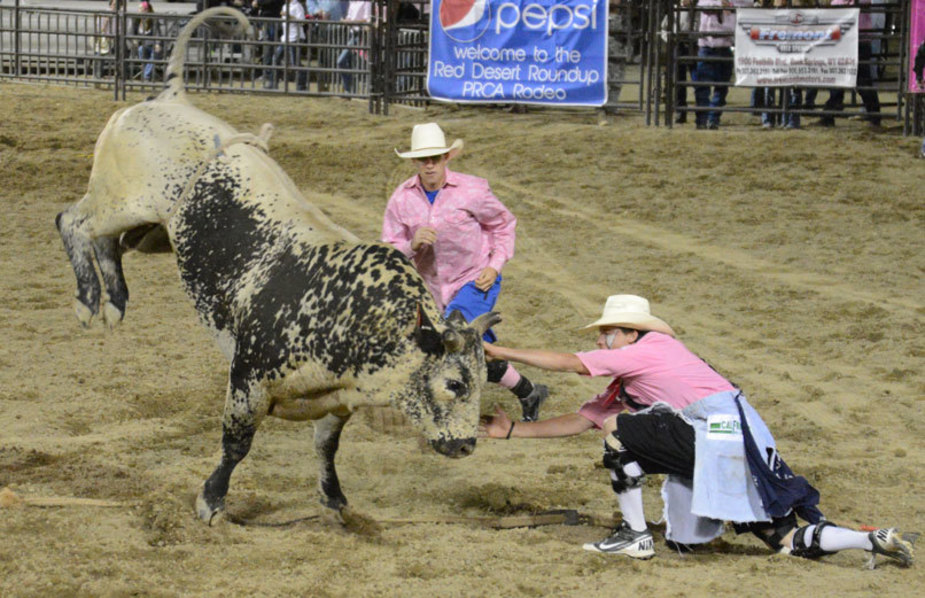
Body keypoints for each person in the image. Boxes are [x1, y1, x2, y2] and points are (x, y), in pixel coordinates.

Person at [480, 294, 916, 564]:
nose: (599, 342)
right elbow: (580, 419)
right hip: (739, 445)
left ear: (630, 334)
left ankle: (634, 537)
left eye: (605, 334)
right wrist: (514, 430)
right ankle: (869, 541)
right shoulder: (640, 373)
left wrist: (498, 349)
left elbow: (575, 365)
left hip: (718, 439)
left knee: (619, 429)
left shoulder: (651, 348)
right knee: (784, 540)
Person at [381, 123, 548, 422]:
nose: (430, 165)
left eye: (435, 157)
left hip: (474, 278)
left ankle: (448, 410)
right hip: (431, 286)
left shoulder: (472, 190)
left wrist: (494, 266)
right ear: (414, 162)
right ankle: (528, 391)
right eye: (423, 159)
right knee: (468, 346)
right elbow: (389, 249)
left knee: (453, 333)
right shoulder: (401, 198)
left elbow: (503, 224)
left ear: (447, 158)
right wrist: (411, 245)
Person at [811, 0, 881, 128]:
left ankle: (874, 115)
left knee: (862, 80)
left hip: (859, 39)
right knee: (839, 77)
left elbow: (865, 3)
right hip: (844, 39)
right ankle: (830, 113)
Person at [688, 0, 750, 129]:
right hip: (707, 45)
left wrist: (730, 5)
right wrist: (722, 5)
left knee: (721, 87)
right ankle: (702, 120)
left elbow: (748, 4)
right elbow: (703, 5)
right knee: (702, 87)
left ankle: (713, 119)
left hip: (724, 45)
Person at [337, 0, 372, 95]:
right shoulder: (352, 2)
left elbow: (367, 19)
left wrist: (351, 21)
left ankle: (349, 89)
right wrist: (346, 21)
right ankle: (349, 89)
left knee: (342, 61)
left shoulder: (366, 2)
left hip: (360, 35)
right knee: (349, 62)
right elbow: (349, 16)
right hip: (352, 34)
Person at [271, 0, 308, 90]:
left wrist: (289, 16)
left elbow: (302, 21)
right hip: (285, 38)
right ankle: (274, 83)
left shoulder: (297, 6)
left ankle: (301, 85)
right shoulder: (285, 6)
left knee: (295, 63)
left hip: (295, 37)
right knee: (275, 59)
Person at [252, 0, 285, 89]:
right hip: (267, 21)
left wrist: (259, 3)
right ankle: (271, 77)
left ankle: (271, 78)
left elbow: (271, 2)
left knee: (269, 50)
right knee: (268, 50)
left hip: (271, 20)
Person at [133, 0, 163, 82]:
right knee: (141, 49)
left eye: (140, 9)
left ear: (146, 10)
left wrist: (158, 44)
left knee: (154, 54)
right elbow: (131, 32)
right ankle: (148, 73)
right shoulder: (136, 20)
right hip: (143, 45)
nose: (138, 10)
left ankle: (146, 76)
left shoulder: (153, 20)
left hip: (153, 46)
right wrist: (134, 40)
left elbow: (158, 34)